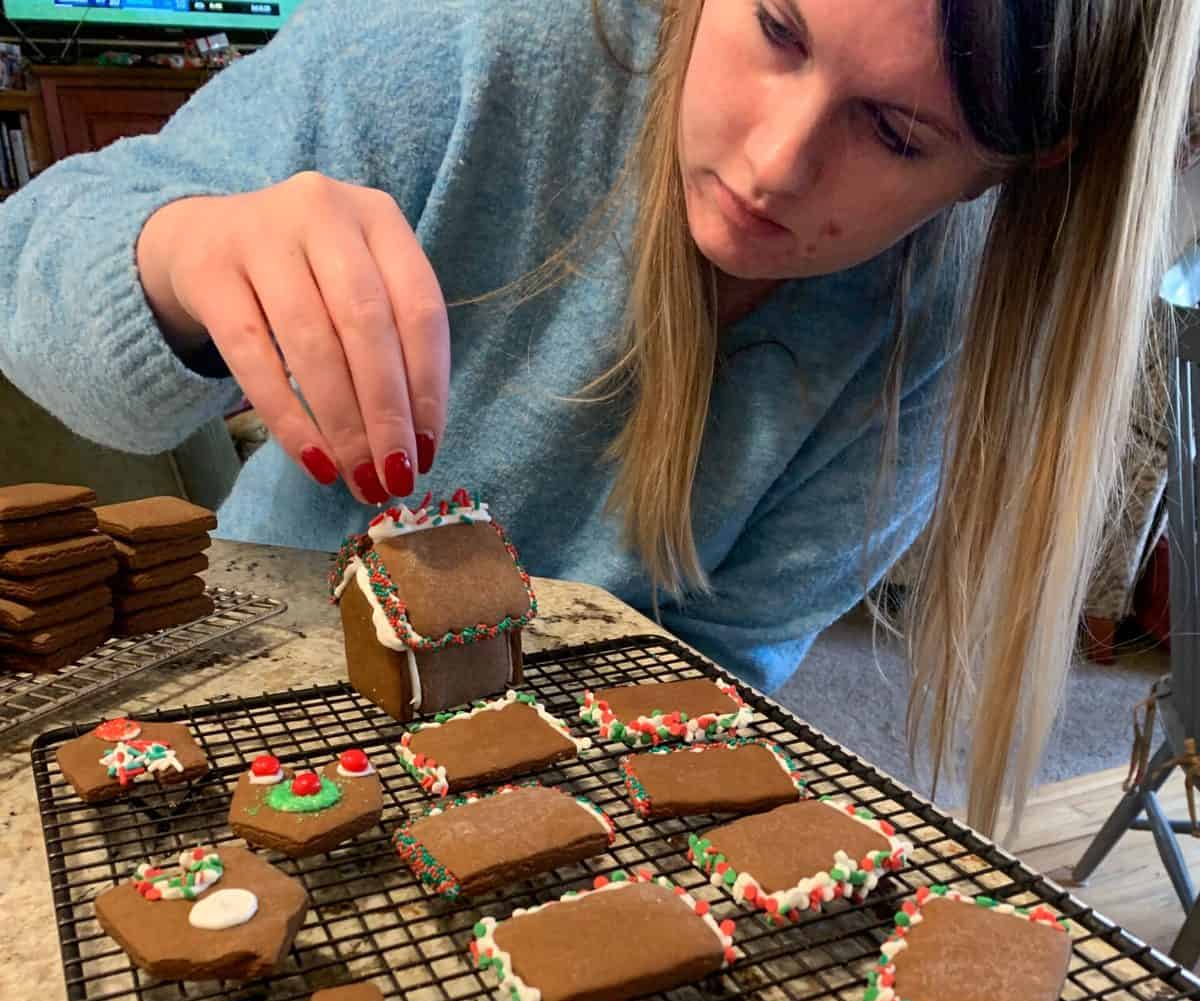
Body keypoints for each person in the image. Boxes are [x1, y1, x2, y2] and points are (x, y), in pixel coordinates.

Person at [0, 0, 1195, 832]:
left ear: (1011, 171)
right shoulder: (463, 44)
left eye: (895, 133)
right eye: (777, 27)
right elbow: (32, 266)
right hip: (270, 693)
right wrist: (180, 255)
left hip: (581, 771)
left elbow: (721, 661)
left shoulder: (951, 327)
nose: (776, 166)